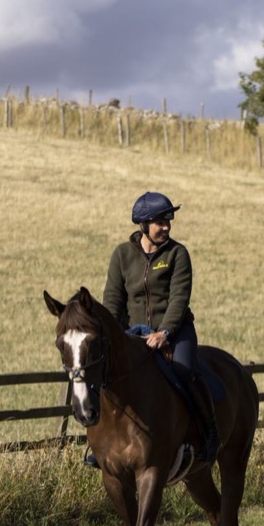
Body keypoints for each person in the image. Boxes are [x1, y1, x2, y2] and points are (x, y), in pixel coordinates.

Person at [95, 191, 218, 464]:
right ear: (143, 225)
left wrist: (165, 332)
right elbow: (113, 301)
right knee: (106, 378)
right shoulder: (122, 255)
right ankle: (100, 444)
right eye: (160, 222)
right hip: (134, 336)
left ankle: (208, 433)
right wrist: (115, 336)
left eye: (168, 221)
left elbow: (179, 297)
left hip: (175, 333)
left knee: (186, 372)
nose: (167, 227)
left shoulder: (177, 254)